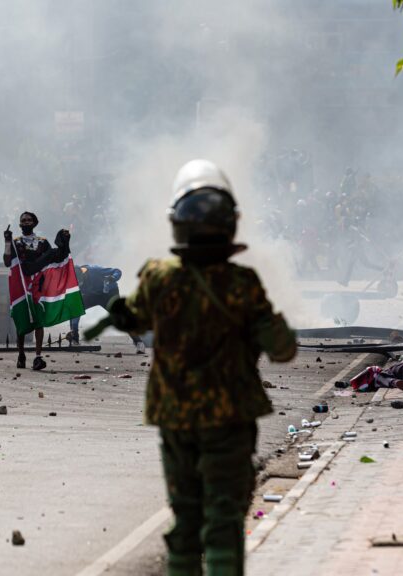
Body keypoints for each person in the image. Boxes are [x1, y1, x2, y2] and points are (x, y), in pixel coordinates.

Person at [87, 160, 296, 575]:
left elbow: (132, 318)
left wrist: (111, 308)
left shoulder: (160, 278)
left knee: (185, 523)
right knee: (223, 520)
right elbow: (283, 349)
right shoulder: (243, 285)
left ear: (177, 224)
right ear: (230, 224)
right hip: (231, 418)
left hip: (177, 418)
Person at [3, 211, 71, 370]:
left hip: (38, 286)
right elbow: (7, 261)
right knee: (21, 320)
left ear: (34, 223)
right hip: (21, 286)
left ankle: (38, 357)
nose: (26, 222)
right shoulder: (15, 242)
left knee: (39, 321)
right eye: (23, 220)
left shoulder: (43, 242)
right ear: (20, 225)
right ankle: (21, 354)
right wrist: (6, 241)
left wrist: (65, 240)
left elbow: (57, 257)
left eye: (29, 220)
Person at [67, 264, 146, 353]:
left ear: (83, 273)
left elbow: (117, 271)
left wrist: (112, 278)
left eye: (80, 281)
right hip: (92, 295)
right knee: (75, 309)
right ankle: (74, 339)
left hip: (108, 294)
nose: (80, 283)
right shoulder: (74, 281)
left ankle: (139, 342)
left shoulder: (95, 270)